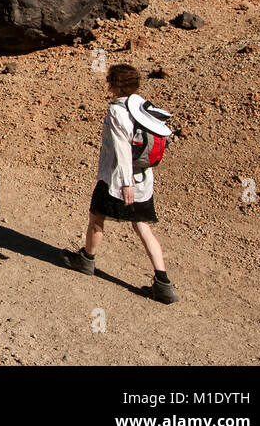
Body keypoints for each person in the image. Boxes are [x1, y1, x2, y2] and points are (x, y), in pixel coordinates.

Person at [61, 63, 179, 303]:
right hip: (143, 179)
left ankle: (86, 260)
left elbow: (122, 148)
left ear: (113, 85)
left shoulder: (118, 111)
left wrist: (126, 183)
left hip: (116, 179)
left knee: (96, 218)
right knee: (142, 226)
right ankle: (163, 283)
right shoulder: (144, 107)